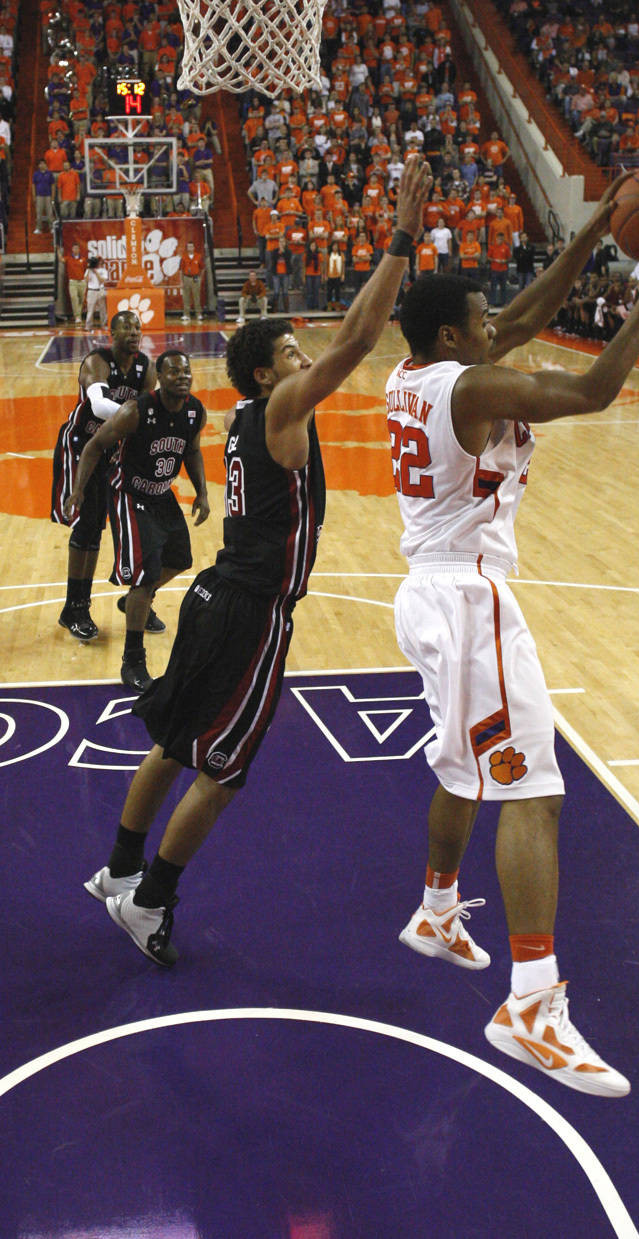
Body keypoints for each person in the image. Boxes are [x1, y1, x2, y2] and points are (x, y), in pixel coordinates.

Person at [386, 190, 639, 1097]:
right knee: (536, 791)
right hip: (469, 600)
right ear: (454, 337)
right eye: (482, 320)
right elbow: (594, 392)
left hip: (428, 592)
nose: (500, 325)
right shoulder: (472, 386)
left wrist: (593, 231)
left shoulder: (416, 370)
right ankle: (530, 1003)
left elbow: (523, 315)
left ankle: (436, 909)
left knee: (464, 768)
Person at [79, 155, 431, 967]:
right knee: (224, 771)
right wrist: (401, 236)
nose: (309, 359)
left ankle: (119, 868)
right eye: (295, 352)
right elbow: (359, 338)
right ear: (269, 372)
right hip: (253, 609)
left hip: (216, 593)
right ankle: (149, 901)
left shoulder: (244, 412)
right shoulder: (280, 407)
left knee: (173, 741)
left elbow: (339, 341)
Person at [65, 351, 210, 690]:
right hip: (129, 495)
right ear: (159, 377)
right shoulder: (136, 411)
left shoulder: (195, 411)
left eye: (186, 370)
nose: (182, 376)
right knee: (144, 577)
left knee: (180, 559)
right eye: (173, 371)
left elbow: (192, 451)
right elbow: (94, 446)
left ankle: (134, 602)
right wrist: (79, 490)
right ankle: (132, 661)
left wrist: (202, 492)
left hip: (162, 494)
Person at [51, 312, 157, 641]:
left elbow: (147, 407)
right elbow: (99, 407)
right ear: (112, 333)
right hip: (82, 446)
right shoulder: (97, 362)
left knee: (120, 526)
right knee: (86, 525)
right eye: (126, 328)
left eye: (137, 327)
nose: (134, 333)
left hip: (113, 449)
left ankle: (134, 599)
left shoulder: (145, 367)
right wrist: (143, 419)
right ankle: (74, 607)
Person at [62, 241, 87, 323]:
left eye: (77, 248)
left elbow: (86, 269)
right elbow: (61, 260)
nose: (75, 250)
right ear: (72, 249)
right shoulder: (68, 258)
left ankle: (78, 315)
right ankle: (77, 316)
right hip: (73, 282)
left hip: (82, 282)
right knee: (74, 298)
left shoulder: (83, 259)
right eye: (74, 248)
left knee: (81, 300)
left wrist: (85, 279)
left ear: (79, 249)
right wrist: (58, 251)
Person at [180, 240, 204, 324]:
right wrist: (181, 281)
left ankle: (198, 314)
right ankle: (186, 314)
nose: (190, 248)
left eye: (191, 246)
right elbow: (181, 270)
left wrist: (200, 277)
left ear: (194, 248)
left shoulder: (198, 256)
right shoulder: (184, 257)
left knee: (196, 296)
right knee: (186, 297)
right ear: (187, 248)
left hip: (195, 278)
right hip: (186, 278)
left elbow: (202, 268)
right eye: (188, 247)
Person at [84, 256, 109, 331]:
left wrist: (96, 272)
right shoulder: (88, 270)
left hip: (100, 290)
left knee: (103, 309)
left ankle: (104, 324)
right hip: (91, 291)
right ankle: (88, 325)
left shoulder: (103, 271)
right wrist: (89, 270)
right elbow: (86, 280)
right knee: (90, 309)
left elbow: (102, 281)